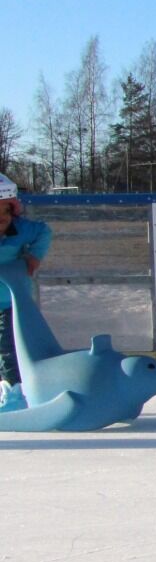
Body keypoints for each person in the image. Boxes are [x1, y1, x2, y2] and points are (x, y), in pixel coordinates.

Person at [0, 172, 52, 412]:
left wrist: (34, 256)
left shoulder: (23, 230)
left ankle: (15, 393)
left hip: (11, 303)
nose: (1, 218)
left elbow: (44, 232)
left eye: (5, 211)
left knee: (8, 348)